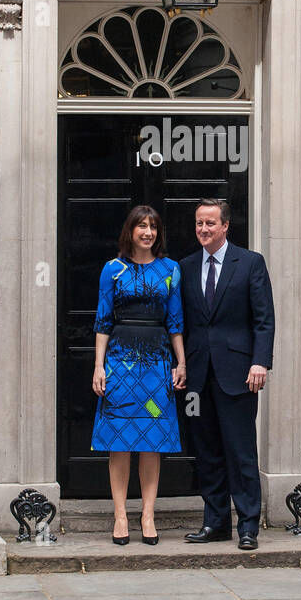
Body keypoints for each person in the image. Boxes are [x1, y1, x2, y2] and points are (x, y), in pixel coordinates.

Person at [179, 198, 275, 551]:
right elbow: (181, 322)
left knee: (241, 451)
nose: (203, 229)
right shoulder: (185, 267)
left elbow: (264, 318)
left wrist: (260, 362)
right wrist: (181, 364)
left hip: (239, 373)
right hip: (198, 375)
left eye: (210, 223)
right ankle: (215, 522)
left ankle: (248, 525)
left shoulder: (250, 263)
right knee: (207, 453)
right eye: (199, 223)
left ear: (225, 226)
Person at [92, 206, 186, 546]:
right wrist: (99, 365)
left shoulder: (170, 269)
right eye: (141, 226)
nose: (147, 232)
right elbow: (102, 321)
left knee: (151, 443)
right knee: (119, 442)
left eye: (153, 227)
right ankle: (120, 514)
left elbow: (175, 321)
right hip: (119, 362)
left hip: (157, 364)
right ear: (130, 230)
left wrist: (181, 362)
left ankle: (148, 513)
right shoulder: (112, 270)